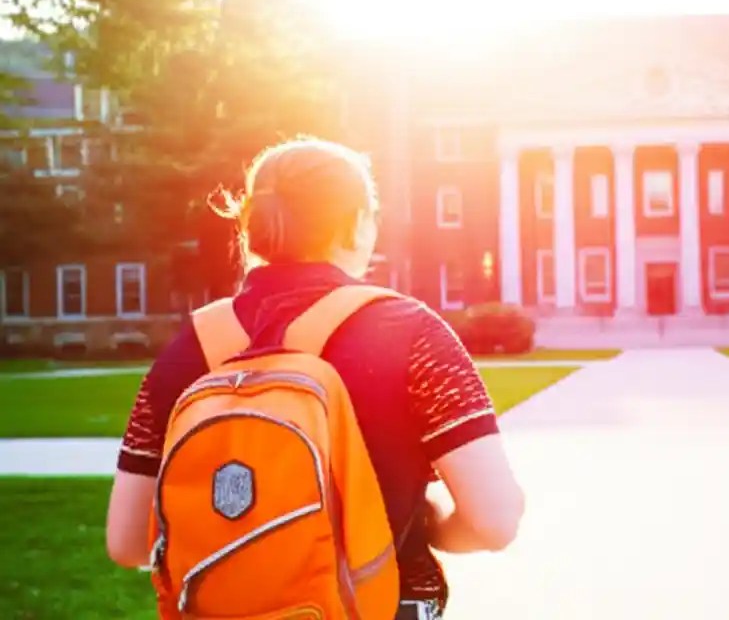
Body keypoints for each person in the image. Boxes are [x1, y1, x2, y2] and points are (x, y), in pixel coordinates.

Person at [105, 136, 525, 619]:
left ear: (252, 228)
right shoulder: (412, 333)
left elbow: (127, 542)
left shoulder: (192, 345)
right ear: (357, 225)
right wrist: (425, 525)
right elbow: (495, 520)